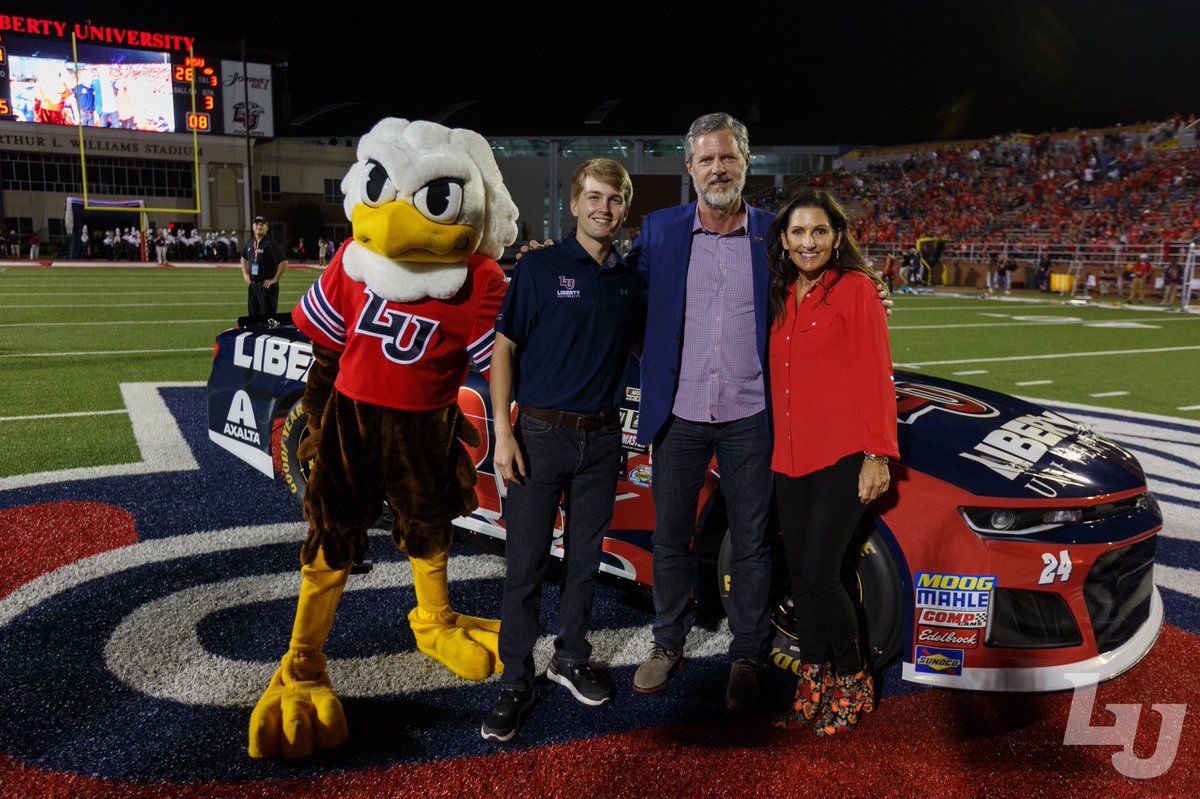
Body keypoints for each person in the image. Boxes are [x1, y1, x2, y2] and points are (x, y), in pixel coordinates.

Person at [482, 159, 644, 742]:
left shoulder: (629, 280)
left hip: (602, 440)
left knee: (584, 563)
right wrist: (502, 432)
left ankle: (571, 655)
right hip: (539, 437)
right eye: (594, 197)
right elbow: (503, 350)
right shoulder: (540, 268)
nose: (604, 208)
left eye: (615, 199)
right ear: (574, 204)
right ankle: (515, 678)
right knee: (524, 565)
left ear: (624, 209)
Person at [627, 112, 775, 711]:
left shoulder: (773, 230)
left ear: (746, 163)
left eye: (728, 157)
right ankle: (668, 642)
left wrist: (870, 287)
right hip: (680, 412)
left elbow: (820, 280)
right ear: (689, 168)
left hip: (751, 412)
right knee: (670, 538)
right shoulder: (660, 229)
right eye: (706, 159)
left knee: (753, 542)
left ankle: (747, 655)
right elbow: (623, 298)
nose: (718, 168)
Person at [765, 189, 898, 735]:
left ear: (837, 237)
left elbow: (876, 373)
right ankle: (813, 675)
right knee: (802, 576)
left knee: (821, 575)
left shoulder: (856, 290)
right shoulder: (780, 294)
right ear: (784, 240)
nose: (808, 242)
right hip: (789, 457)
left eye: (819, 231)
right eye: (798, 232)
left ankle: (853, 678)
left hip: (842, 455)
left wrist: (877, 455)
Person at [241, 216, 289, 316]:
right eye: (257, 224)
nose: (259, 226)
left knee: (267, 318)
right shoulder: (250, 243)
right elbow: (243, 257)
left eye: (262, 224)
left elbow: (283, 262)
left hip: (266, 286)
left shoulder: (271, 243)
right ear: (253, 227)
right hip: (253, 286)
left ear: (267, 228)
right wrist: (245, 273)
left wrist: (275, 279)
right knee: (253, 317)